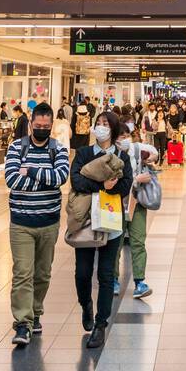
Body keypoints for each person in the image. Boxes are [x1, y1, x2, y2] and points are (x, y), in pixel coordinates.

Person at [5, 102, 70, 346]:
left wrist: (29, 170)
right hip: (21, 222)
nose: (41, 129)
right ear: (31, 124)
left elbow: (60, 178)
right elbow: (12, 180)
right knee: (23, 273)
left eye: (46, 126)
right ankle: (23, 323)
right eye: (37, 125)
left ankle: (36, 313)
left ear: (51, 126)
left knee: (42, 274)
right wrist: (44, 177)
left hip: (49, 221)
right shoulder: (15, 148)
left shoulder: (59, 149)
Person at [71, 110, 133, 348]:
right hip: (85, 220)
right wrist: (101, 185)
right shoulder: (85, 153)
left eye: (106, 124)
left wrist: (111, 189)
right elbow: (75, 179)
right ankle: (86, 304)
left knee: (106, 274)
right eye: (98, 123)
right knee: (83, 273)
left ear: (114, 128)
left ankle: (100, 323)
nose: (101, 127)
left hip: (112, 220)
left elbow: (126, 184)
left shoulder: (122, 156)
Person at [115, 122, 157, 300]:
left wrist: (150, 158)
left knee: (138, 241)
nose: (124, 140)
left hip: (136, 202)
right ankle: (113, 280)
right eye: (120, 137)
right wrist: (135, 178)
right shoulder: (110, 153)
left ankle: (140, 281)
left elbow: (154, 152)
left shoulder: (137, 148)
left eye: (126, 136)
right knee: (114, 244)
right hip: (115, 204)